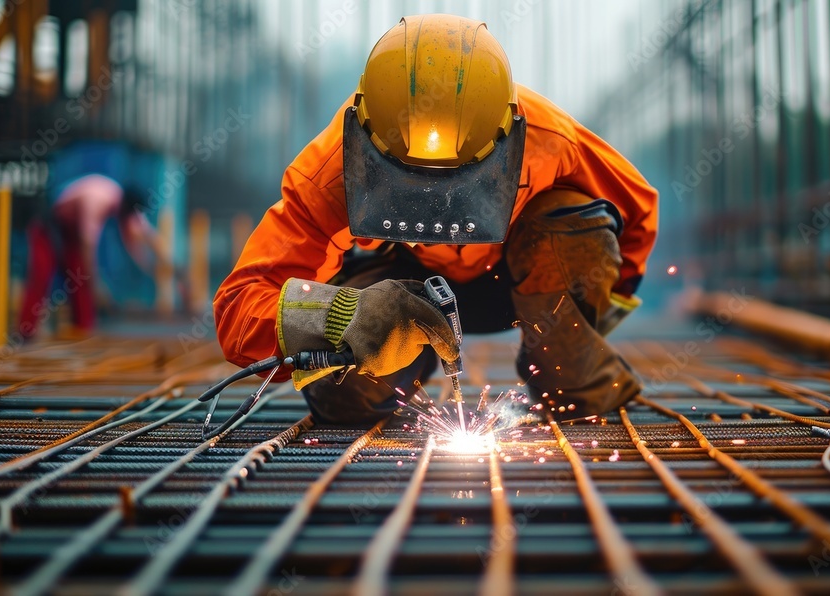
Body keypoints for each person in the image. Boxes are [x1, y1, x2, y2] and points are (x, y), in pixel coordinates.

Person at [214, 14, 659, 426]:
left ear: (510, 138)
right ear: (364, 143)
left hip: (516, 286)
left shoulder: (549, 139)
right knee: (346, 395)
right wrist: (343, 318)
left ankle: (576, 380)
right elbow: (238, 308)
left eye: (462, 184)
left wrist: (575, 326)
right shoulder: (332, 171)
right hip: (398, 297)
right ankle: (394, 361)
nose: (436, 203)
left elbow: (636, 213)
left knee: (572, 230)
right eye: (408, 184)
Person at [20, 173, 163, 340]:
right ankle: (25, 333)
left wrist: (157, 269)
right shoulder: (98, 199)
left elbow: (144, 238)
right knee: (43, 276)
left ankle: (83, 331)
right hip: (50, 228)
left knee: (80, 281)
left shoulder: (124, 205)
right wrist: (97, 285)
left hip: (71, 234)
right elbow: (87, 246)